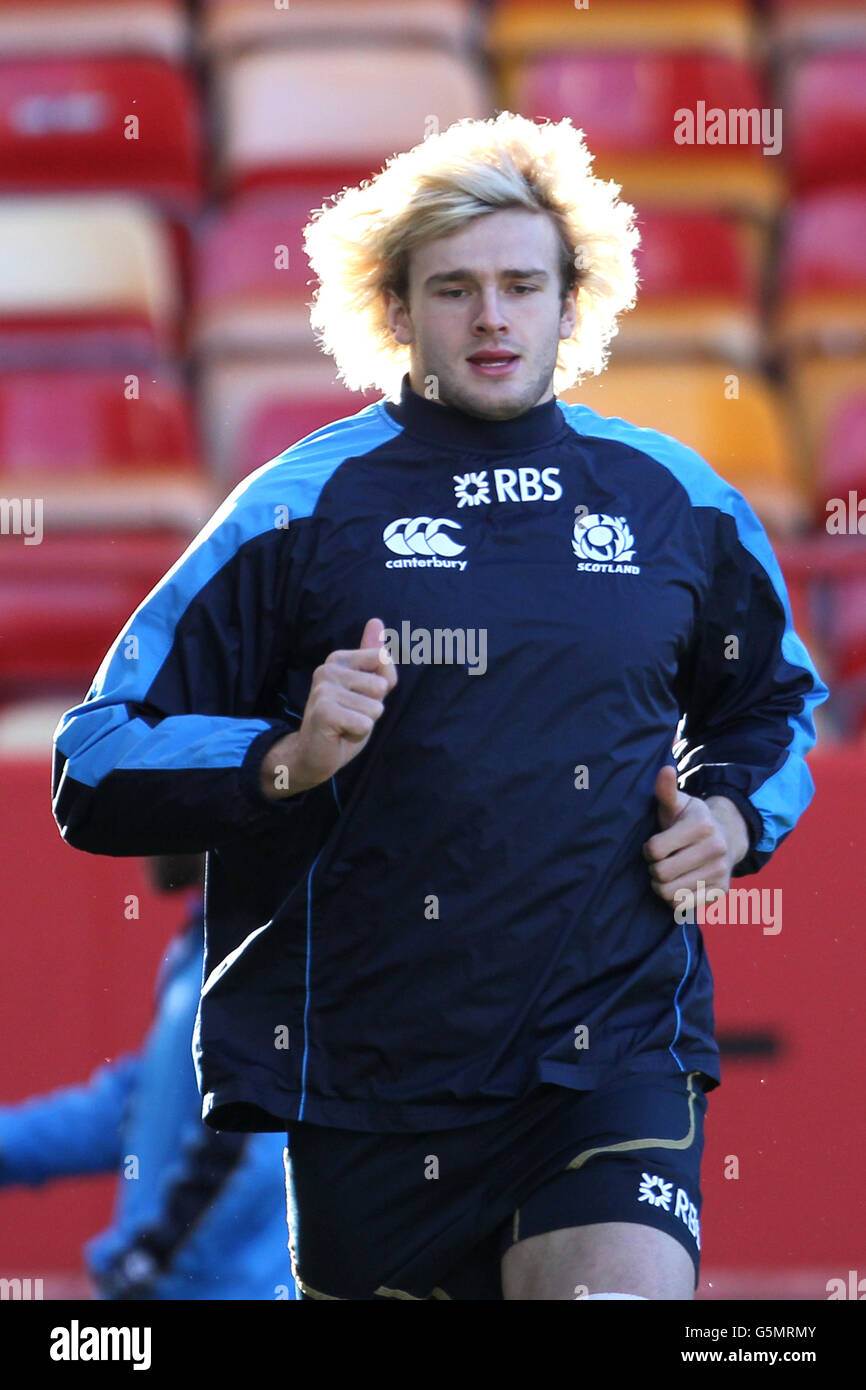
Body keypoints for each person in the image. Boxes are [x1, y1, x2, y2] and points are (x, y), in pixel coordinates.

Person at [51, 111, 828, 1300]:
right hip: (369, 1078)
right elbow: (95, 762)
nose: (491, 317)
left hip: (608, 1046)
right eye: (453, 289)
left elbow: (773, 707)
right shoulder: (297, 507)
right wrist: (283, 759)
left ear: (572, 303)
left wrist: (728, 819)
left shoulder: (675, 499)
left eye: (522, 284)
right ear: (398, 312)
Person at [0, 855, 296, 1300]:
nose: (136, 839)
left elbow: (246, 1146)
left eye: (160, 792)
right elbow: (139, 1109)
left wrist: (147, 1264)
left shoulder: (260, 953)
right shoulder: (204, 944)